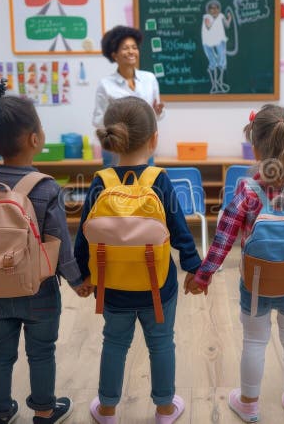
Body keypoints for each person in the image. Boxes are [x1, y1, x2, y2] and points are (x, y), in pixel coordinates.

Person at [186, 104, 284, 422]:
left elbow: (223, 236)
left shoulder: (247, 189)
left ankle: (248, 403)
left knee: (254, 340)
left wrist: (204, 275)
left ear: (255, 144)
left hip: (256, 282)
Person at [0, 79, 82, 424]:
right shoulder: (45, 187)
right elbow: (61, 243)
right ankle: (44, 410)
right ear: (35, 139)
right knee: (41, 351)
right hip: (37, 288)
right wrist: (77, 281)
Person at [75, 96, 200, 424]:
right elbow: (179, 229)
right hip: (157, 287)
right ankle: (163, 409)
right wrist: (194, 268)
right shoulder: (159, 179)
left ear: (111, 140)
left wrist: (82, 277)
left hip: (111, 286)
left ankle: (106, 409)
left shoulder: (102, 181)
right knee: (161, 343)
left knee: (114, 343)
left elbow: (83, 234)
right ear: (154, 138)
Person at [93, 25, 165, 166]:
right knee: (115, 187)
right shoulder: (105, 84)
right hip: (116, 148)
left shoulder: (149, 79)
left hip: (144, 145)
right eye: (126, 48)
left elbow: (155, 117)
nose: (131, 51)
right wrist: (119, 130)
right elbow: (98, 120)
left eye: (134, 47)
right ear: (114, 54)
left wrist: (157, 112)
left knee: (146, 185)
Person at [202, 0, 232, 94]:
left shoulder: (221, 16)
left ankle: (220, 82)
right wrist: (213, 18)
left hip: (220, 41)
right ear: (208, 10)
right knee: (213, 63)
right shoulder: (207, 17)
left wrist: (229, 18)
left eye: (216, 8)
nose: (214, 10)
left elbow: (227, 25)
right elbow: (208, 26)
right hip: (208, 42)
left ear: (219, 9)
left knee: (222, 62)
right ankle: (214, 85)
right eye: (212, 8)